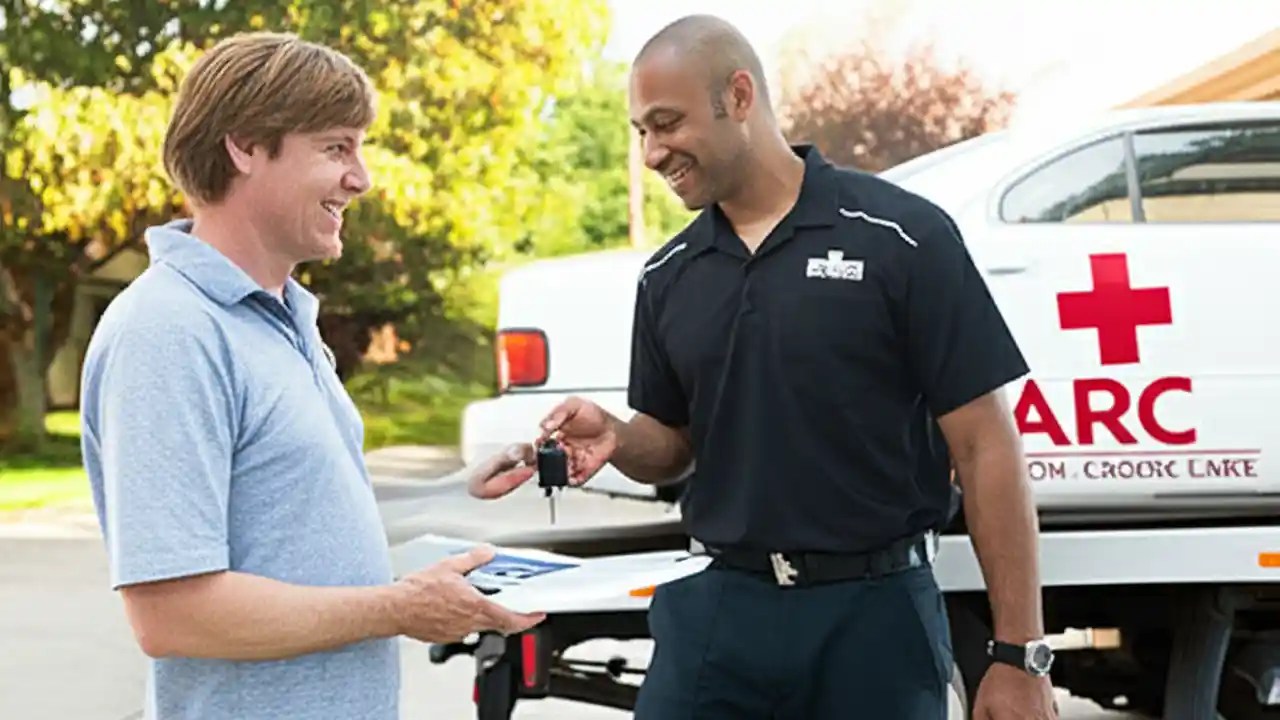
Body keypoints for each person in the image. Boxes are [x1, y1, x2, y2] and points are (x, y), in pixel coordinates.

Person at [470, 14, 1058, 720]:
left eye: (667, 123)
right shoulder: (669, 275)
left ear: (739, 97)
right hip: (719, 610)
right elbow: (675, 444)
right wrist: (619, 437)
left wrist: (1019, 653)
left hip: (875, 617)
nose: (653, 154)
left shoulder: (904, 238)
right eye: (641, 133)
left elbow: (986, 445)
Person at [78, 32, 542, 720]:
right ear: (244, 146)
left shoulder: (281, 318)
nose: (363, 177)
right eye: (336, 148)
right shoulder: (169, 331)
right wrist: (398, 610)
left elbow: (292, 517)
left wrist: (456, 491)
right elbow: (173, 614)